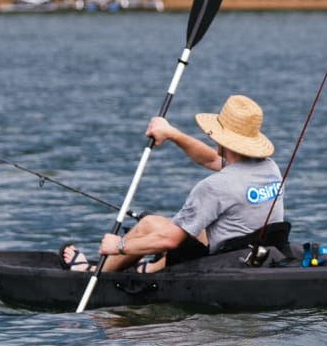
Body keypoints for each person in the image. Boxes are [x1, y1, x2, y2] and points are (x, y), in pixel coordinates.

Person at [61, 94, 283, 273]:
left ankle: (95, 272)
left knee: (150, 224)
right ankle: (150, 267)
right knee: (193, 224)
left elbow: (169, 240)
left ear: (220, 137)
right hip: (253, 251)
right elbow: (211, 159)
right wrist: (172, 134)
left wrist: (118, 246)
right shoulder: (270, 168)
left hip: (223, 262)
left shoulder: (214, 187)